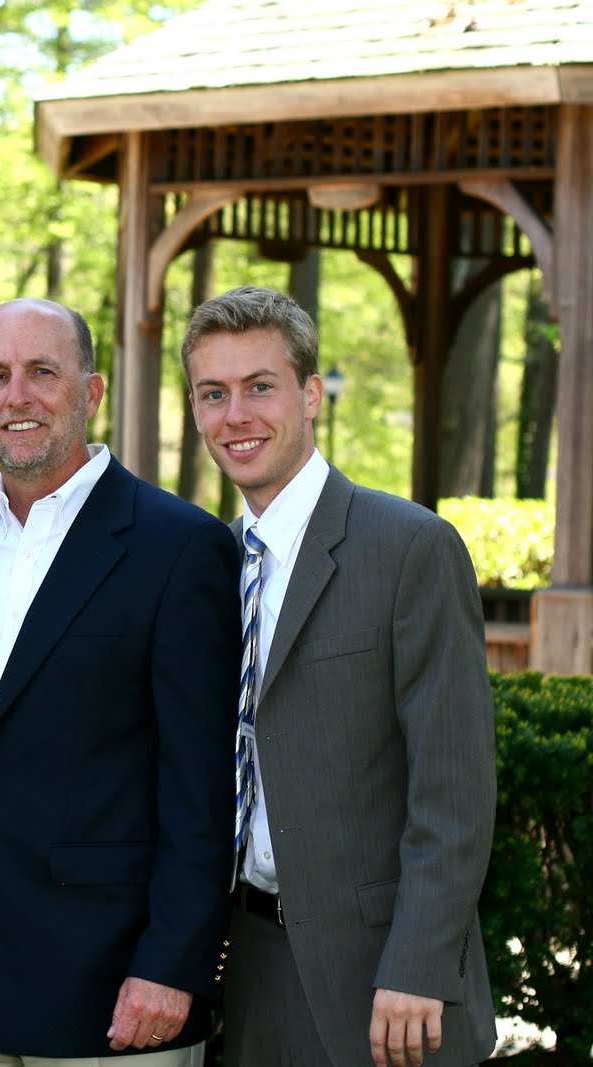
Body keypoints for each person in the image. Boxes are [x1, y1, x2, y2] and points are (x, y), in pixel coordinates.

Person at [0, 298, 241, 1066]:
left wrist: (172, 961)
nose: (16, 395)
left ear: (90, 392)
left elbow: (201, 783)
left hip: (111, 985)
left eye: (42, 372)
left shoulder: (178, 546)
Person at [181, 286, 497, 1067]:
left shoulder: (409, 547)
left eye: (261, 386)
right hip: (250, 968)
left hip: (389, 981)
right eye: (213, 394)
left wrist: (419, 964)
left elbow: (453, 787)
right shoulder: (208, 566)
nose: (237, 415)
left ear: (312, 394)